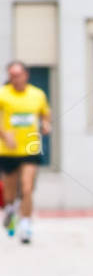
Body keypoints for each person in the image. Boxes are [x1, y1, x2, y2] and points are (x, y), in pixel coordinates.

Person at [0, 60, 51, 245]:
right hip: (8, 151)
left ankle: (26, 225)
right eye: (11, 76)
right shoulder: (3, 94)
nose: (15, 79)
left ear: (26, 75)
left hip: (30, 148)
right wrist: (4, 134)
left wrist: (46, 124)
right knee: (9, 194)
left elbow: (45, 114)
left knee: (27, 188)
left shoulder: (37, 95)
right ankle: (10, 211)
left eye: (18, 75)